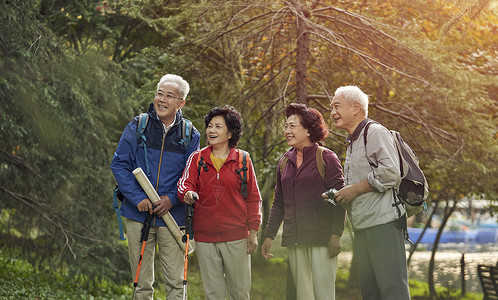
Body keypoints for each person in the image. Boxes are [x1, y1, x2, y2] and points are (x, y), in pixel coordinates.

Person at [110, 74, 201, 300]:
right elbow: (120, 164)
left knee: (176, 286)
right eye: (159, 93)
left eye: (169, 96)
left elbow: (192, 175)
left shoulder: (190, 134)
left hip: (174, 219)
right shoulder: (137, 125)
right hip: (138, 214)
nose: (161, 99)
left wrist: (172, 198)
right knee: (141, 286)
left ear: (181, 103)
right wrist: (137, 197)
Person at [328, 85, 410, 300]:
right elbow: (362, 186)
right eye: (331, 108)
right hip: (363, 226)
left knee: (393, 291)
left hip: (383, 224)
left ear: (356, 108)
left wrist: (354, 189)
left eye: (337, 106)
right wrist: (341, 195)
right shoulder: (353, 141)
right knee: (371, 293)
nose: (332, 112)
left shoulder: (374, 132)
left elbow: (391, 173)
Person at [261, 103, 346, 300]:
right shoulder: (284, 162)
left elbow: (339, 197)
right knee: (303, 296)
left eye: (292, 126)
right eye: (285, 126)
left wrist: (335, 234)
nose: (287, 131)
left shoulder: (326, 157)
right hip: (295, 240)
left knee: (323, 295)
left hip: (321, 240)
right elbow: (279, 203)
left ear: (308, 129)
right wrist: (269, 235)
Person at [177, 105, 262, 300]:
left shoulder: (243, 160)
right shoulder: (197, 158)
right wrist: (188, 194)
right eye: (210, 126)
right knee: (213, 293)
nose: (211, 131)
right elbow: (183, 185)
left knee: (240, 293)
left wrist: (254, 232)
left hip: (237, 236)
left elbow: (253, 197)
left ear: (230, 133)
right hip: (205, 237)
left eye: (218, 127)